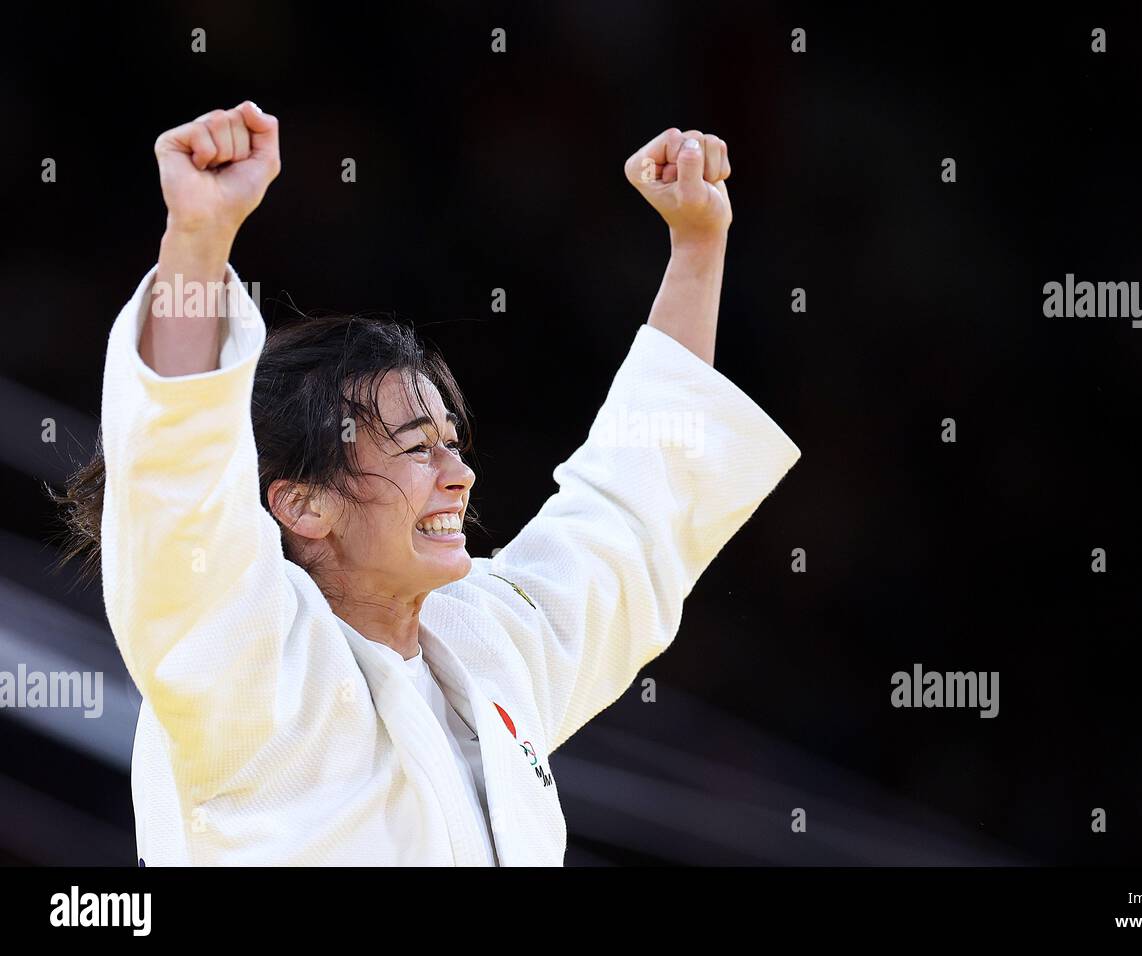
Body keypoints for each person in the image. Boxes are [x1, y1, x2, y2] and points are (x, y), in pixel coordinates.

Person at [54, 100, 801, 865]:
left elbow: (633, 503)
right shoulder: (246, 674)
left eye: (454, 442)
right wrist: (200, 238)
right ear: (302, 503)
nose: (462, 475)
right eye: (417, 449)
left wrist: (698, 247)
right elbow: (177, 494)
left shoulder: (488, 644)